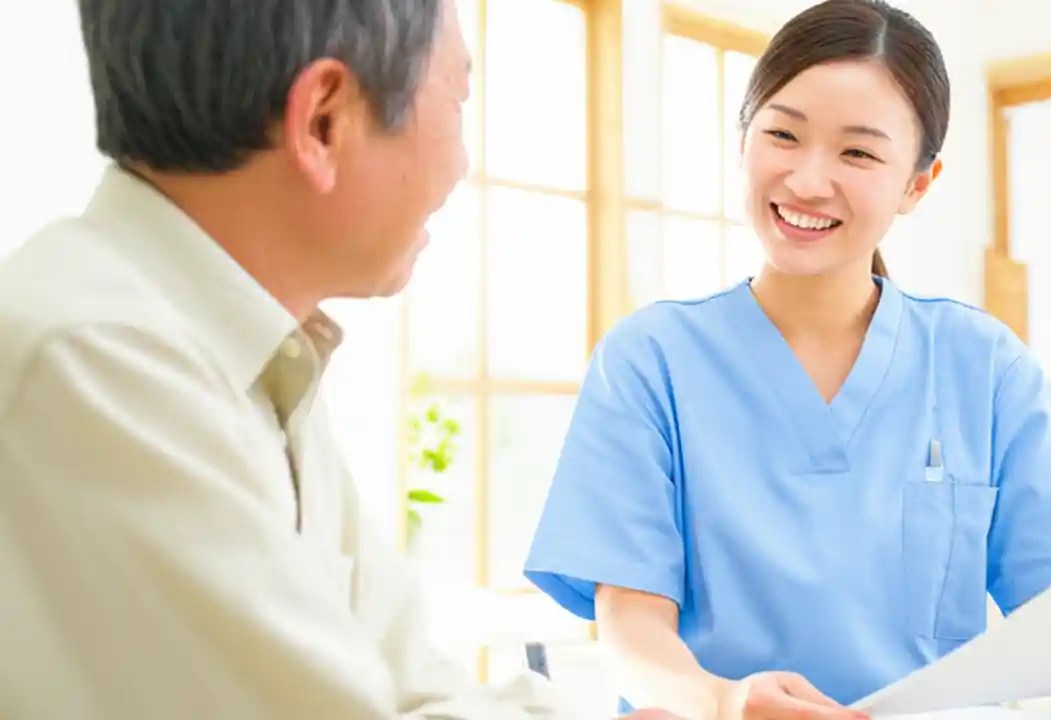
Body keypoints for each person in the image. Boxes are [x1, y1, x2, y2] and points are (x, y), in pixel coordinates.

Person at [524, 2, 1051, 719]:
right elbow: (629, 631)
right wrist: (722, 704)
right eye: (782, 135)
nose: (809, 181)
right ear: (743, 143)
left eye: (858, 153)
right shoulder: (648, 363)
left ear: (918, 183)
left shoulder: (984, 368)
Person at [0, 1, 672, 718]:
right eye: (456, 101)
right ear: (322, 121)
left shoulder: (254, 361)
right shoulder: (96, 362)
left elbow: (407, 682)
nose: (461, 164)